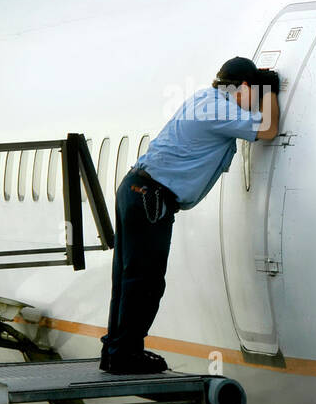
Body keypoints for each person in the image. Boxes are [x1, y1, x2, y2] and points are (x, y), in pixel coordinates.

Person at [100, 57, 280, 374]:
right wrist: (271, 94)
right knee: (146, 282)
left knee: (127, 279)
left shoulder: (205, 98)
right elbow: (268, 130)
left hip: (135, 189)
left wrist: (258, 89)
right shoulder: (222, 110)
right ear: (245, 88)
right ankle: (126, 355)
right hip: (151, 198)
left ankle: (115, 351)